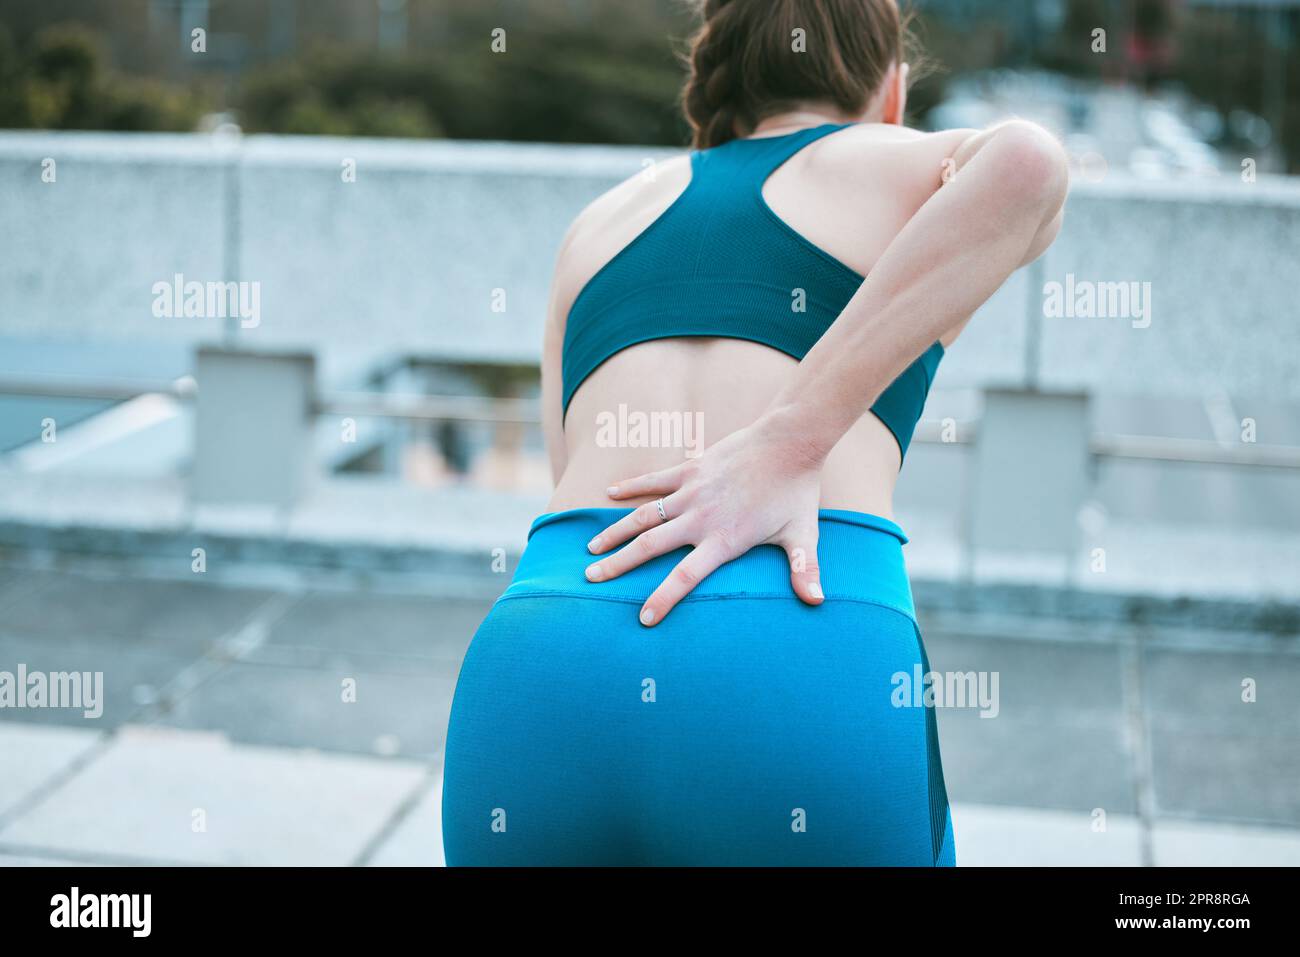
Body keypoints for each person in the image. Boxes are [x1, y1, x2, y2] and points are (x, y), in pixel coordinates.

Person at [442, 0, 1068, 865]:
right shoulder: (893, 166)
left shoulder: (600, 223)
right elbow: (1031, 165)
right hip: (798, 675)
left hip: (539, 673)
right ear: (891, 92)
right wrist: (787, 443)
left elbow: (570, 483)